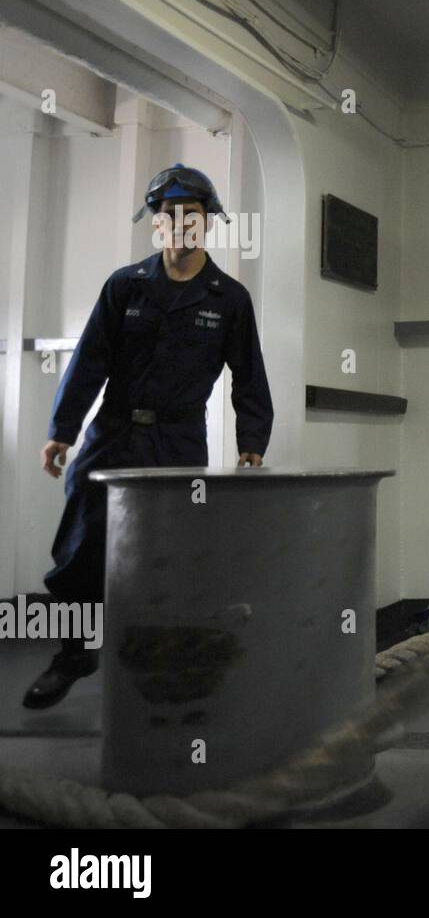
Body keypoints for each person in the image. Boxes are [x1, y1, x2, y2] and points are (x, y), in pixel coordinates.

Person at [23, 165, 275, 709]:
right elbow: (89, 361)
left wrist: (253, 441)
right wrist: (62, 431)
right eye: (168, 215)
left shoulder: (227, 298)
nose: (180, 224)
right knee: (78, 553)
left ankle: (172, 665)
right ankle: (73, 651)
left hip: (180, 443)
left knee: (180, 554)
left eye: (191, 215)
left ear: (208, 223)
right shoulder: (125, 286)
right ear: (156, 224)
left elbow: (249, 375)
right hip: (111, 437)